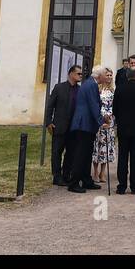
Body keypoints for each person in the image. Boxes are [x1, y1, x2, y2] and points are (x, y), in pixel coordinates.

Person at [67, 65, 111, 193]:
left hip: (86, 124)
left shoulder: (89, 83)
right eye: (105, 74)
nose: (106, 77)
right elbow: (93, 105)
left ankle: (86, 180)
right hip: (84, 124)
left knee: (87, 154)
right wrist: (101, 121)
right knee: (81, 154)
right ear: (99, 75)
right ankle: (74, 183)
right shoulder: (91, 85)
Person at [112, 68, 135, 194]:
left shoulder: (120, 88)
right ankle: (134, 186)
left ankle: (121, 186)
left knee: (122, 156)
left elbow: (115, 108)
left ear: (127, 76)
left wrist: (120, 119)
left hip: (123, 127)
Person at [43, 64, 82, 186]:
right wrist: (48, 122)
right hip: (59, 125)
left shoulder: (79, 90)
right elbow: (50, 106)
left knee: (71, 152)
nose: (80, 76)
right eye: (78, 73)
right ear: (71, 74)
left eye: (81, 74)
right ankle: (57, 176)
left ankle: (66, 174)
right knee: (57, 152)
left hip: (73, 127)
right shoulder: (59, 88)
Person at [91, 72, 116, 184]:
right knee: (97, 146)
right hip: (100, 121)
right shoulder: (98, 90)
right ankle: (95, 171)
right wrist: (102, 117)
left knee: (106, 147)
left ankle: (103, 172)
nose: (109, 77)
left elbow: (114, 106)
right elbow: (96, 105)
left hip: (109, 121)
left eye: (111, 75)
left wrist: (110, 117)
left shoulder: (113, 91)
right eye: (107, 75)